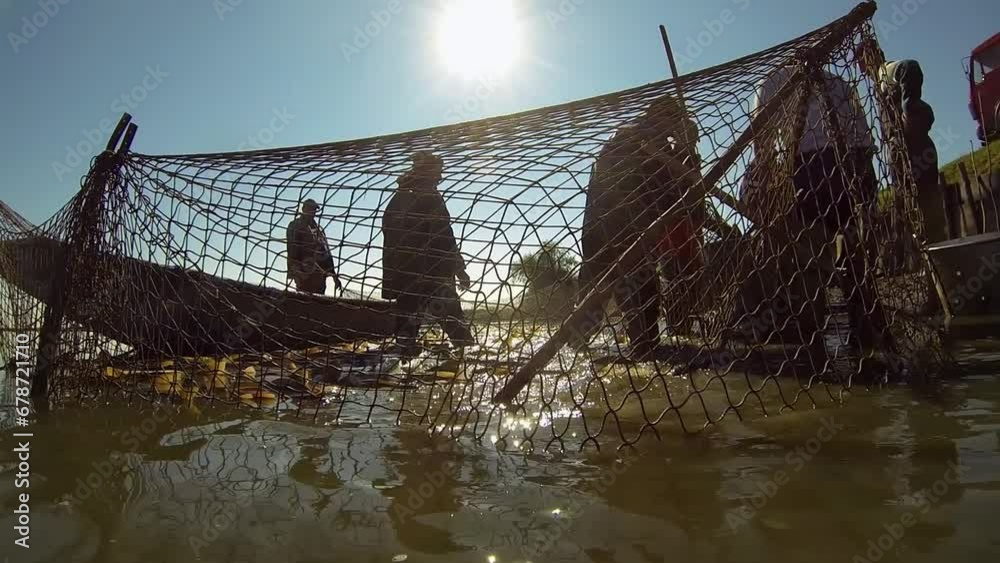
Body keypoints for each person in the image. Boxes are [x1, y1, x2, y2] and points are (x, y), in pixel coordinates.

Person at [751, 64, 893, 356]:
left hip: (814, 168)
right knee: (853, 257)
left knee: (812, 256)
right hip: (856, 169)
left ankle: (814, 343)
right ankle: (864, 332)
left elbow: (760, 139)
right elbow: (865, 138)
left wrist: (768, 183)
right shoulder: (839, 83)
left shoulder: (772, 81)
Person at [576, 94, 704, 359]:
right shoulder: (639, 141)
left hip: (607, 235)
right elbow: (678, 193)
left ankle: (576, 351)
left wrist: (685, 149)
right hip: (621, 236)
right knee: (637, 315)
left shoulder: (635, 140)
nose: (672, 130)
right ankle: (637, 351)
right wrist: (686, 150)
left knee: (595, 313)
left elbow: (680, 197)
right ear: (661, 117)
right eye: (673, 122)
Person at [382, 151, 473, 357]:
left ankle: (402, 362)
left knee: (406, 324)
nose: (440, 176)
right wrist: (460, 270)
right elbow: (445, 236)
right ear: (428, 171)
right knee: (454, 322)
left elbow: (388, 232)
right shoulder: (430, 196)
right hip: (433, 272)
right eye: (437, 171)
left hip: (405, 274)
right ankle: (466, 358)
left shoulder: (399, 196)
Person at [882, 59, 945, 243]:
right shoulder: (881, 88)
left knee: (929, 216)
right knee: (917, 215)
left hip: (915, 153)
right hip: (905, 158)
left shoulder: (884, 72)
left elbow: (910, 66)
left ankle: (940, 261)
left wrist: (909, 106)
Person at [286, 198, 343, 295]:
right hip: (305, 275)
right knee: (304, 302)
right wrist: (296, 271)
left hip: (320, 276)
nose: (313, 212)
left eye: (314, 209)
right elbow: (292, 249)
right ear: (303, 209)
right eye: (310, 209)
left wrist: (334, 276)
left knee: (318, 303)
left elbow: (326, 252)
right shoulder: (296, 225)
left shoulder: (319, 229)